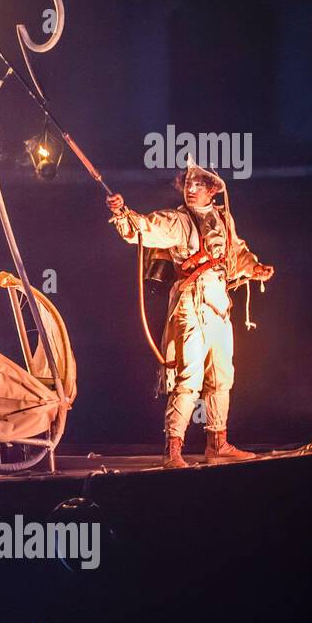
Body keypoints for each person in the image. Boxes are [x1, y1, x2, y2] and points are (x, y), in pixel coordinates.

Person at [106, 163, 275, 468]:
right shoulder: (178, 221)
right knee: (188, 379)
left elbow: (236, 252)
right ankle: (172, 451)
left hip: (219, 305)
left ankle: (217, 444)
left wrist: (254, 268)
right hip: (190, 305)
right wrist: (123, 213)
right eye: (188, 183)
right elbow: (144, 228)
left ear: (212, 189)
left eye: (199, 184)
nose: (191, 188)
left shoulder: (223, 219)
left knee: (222, 376)